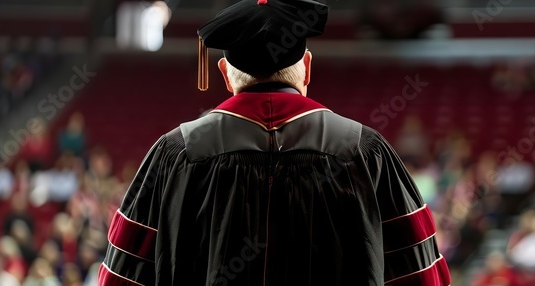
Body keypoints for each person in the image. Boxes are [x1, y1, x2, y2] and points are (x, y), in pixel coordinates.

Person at [98, 1, 449, 285]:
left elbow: (122, 277)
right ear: (307, 68)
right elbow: (421, 276)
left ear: (225, 74)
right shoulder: (364, 151)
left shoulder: (176, 154)